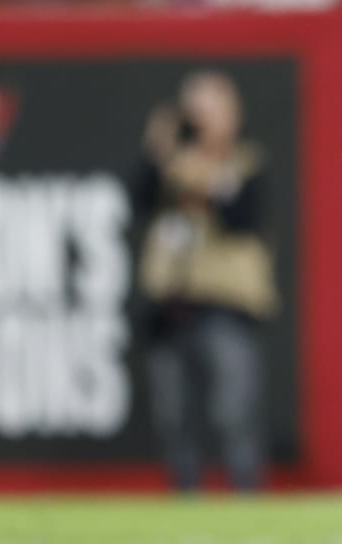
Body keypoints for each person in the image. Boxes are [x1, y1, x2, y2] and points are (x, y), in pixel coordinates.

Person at [130, 70, 278, 492]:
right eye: (192, 114)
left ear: (232, 116)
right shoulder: (169, 163)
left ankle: (247, 497)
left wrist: (203, 177)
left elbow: (241, 218)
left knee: (234, 413)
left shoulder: (245, 162)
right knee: (174, 418)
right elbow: (137, 197)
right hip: (170, 307)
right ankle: (185, 502)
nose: (199, 123)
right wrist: (160, 149)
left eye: (209, 113)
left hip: (226, 306)